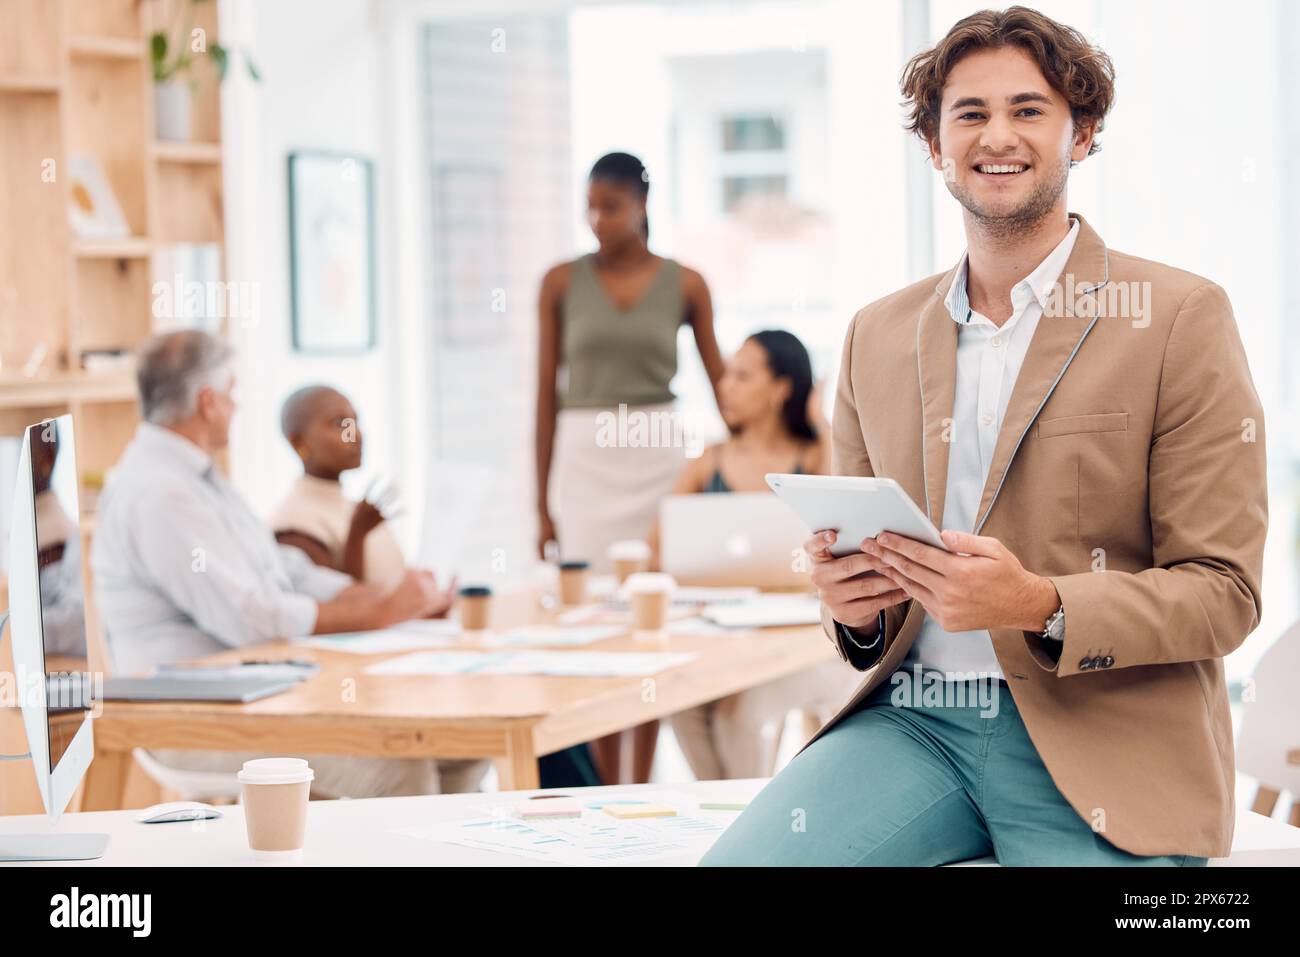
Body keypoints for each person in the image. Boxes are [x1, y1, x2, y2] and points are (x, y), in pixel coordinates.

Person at [703, 7, 1266, 865]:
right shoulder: (874, 336)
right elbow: (867, 583)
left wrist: (1039, 604)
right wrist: (854, 610)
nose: (997, 134)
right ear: (935, 145)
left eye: (1029, 109)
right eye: (969, 113)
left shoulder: (1180, 318)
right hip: (914, 726)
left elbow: (1225, 592)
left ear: (1082, 135)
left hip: (1103, 738)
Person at [92, 331, 482, 797]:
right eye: (232, 394)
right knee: (398, 766)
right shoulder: (161, 494)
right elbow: (251, 618)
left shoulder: (198, 478)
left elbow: (284, 569)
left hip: (253, 696)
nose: (237, 408)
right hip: (191, 717)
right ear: (208, 402)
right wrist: (380, 611)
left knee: (458, 745)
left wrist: (391, 600)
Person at [535, 151, 726, 783]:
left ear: (641, 205)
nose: (596, 219)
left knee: (647, 619)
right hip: (584, 460)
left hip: (656, 455)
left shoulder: (688, 283)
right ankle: (593, 784)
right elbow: (544, 396)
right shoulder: (559, 283)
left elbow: (726, 389)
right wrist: (539, 503)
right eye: (588, 206)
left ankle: (636, 783)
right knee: (591, 621)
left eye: (609, 207)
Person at [656, 330, 858, 781]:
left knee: (739, 712)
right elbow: (660, 551)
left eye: (742, 376)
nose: (724, 385)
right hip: (724, 641)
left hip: (810, 647)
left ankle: (740, 821)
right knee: (682, 703)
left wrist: (822, 424)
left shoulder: (814, 457)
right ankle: (724, 814)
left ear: (781, 387)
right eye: (727, 374)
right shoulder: (706, 463)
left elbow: (843, 525)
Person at [271, 385, 411, 590]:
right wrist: (356, 536)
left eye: (355, 421)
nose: (357, 434)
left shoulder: (358, 510)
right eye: (339, 423)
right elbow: (337, 610)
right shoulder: (294, 527)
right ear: (298, 442)